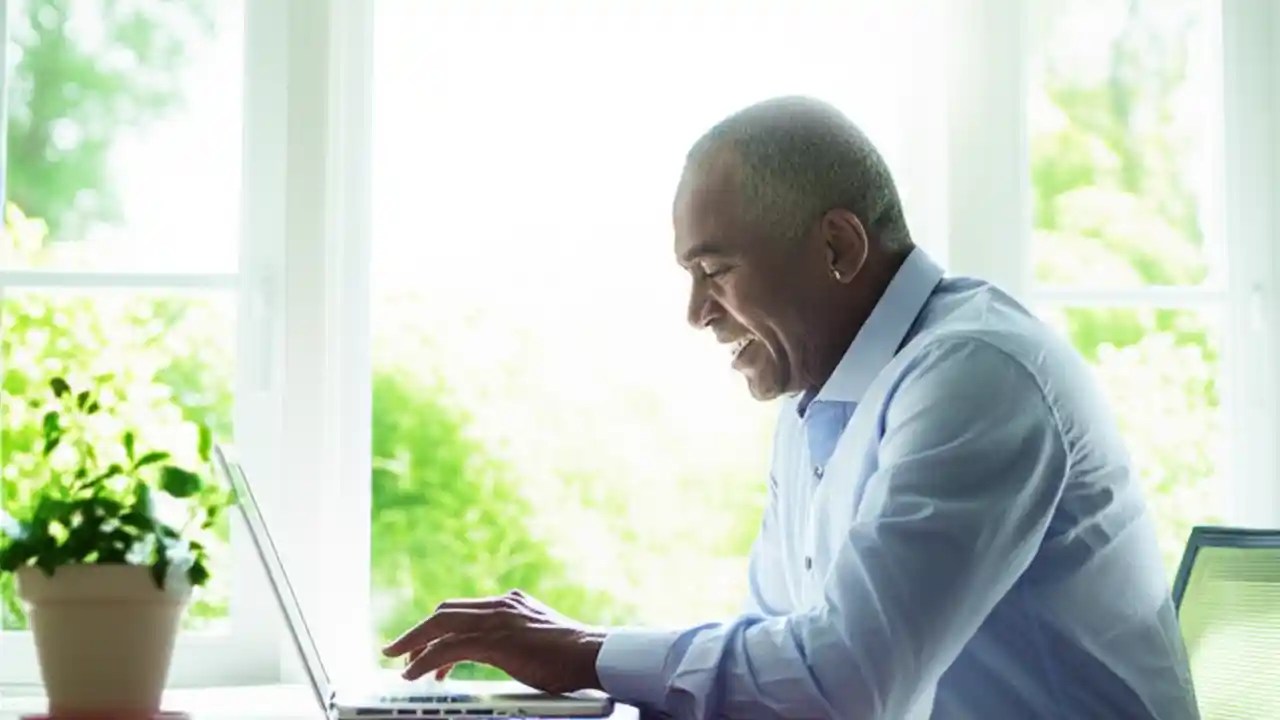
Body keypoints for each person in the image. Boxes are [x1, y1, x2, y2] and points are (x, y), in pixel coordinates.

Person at [381, 96, 1200, 719]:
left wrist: (587, 653)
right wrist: (582, 674)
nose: (698, 314)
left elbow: (845, 681)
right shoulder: (818, 402)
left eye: (716, 271)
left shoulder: (974, 376)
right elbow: (781, 664)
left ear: (838, 249)